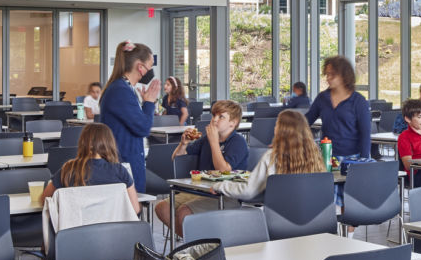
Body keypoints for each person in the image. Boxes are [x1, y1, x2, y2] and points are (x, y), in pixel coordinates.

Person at [172, 110, 325, 220]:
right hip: (315, 220)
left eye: (277, 124)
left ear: (282, 130)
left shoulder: (272, 157)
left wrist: (220, 186)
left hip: (278, 220)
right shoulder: (316, 157)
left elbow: (248, 191)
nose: (274, 128)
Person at [152, 100, 243, 233]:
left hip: (225, 195)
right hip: (200, 190)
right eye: (214, 116)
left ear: (233, 123)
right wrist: (183, 144)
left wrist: (214, 142)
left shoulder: (238, 142)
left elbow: (223, 170)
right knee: (162, 207)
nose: (214, 120)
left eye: (221, 117)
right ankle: (192, 242)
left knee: (185, 212)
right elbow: (176, 159)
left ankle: (195, 244)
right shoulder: (206, 139)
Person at [99, 42, 165, 190]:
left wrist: (145, 104)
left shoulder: (125, 88)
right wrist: (149, 103)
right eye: (150, 65)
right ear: (140, 67)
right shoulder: (120, 90)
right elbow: (142, 128)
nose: (151, 71)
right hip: (123, 163)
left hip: (127, 159)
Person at [41, 122, 140, 212]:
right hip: (112, 230)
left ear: (82, 142)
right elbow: (135, 209)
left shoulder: (69, 169)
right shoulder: (120, 171)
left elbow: (44, 200)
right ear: (110, 143)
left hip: (75, 229)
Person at [304, 55, 372, 163]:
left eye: (332, 75)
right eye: (327, 74)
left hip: (353, 158)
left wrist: (363, 161)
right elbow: (306, 121)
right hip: (327, 158)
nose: (328, 78)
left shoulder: (359, 101)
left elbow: (365, 134)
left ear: (344, 76)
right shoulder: (322, 98)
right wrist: (283, 136)